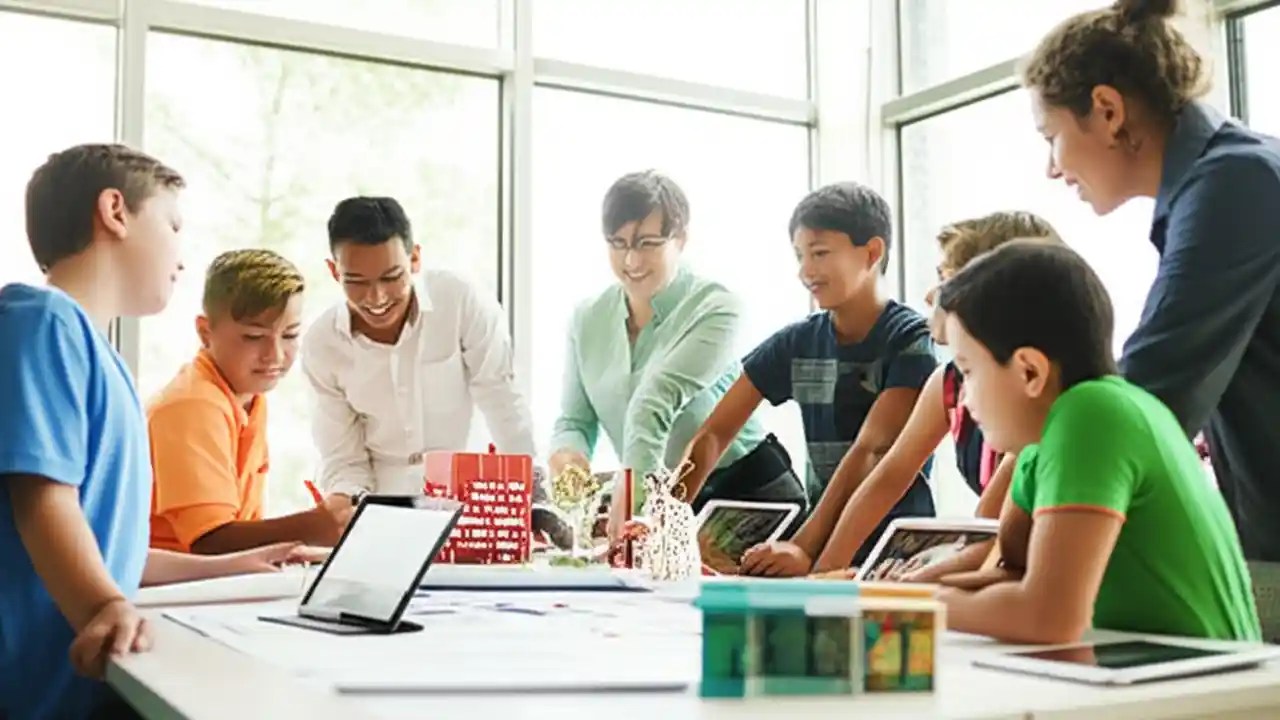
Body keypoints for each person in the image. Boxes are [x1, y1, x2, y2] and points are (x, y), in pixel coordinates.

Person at [0, 144, 310, 719]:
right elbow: (43, 501)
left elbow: (112, 548)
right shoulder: (42, 321)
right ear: (115, 211)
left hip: (77, 685)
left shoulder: (103, 359)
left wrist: (234, 565)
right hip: (27, 689)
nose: (181, 258)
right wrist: (103, 605)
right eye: (172, 225)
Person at [1020, 0, 1280, 617]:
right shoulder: (1225, 181)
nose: (1053, 168)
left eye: (1051, 137)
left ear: (1107, 111)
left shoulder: (1235, 184)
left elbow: (1146, 397)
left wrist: (1017, 519)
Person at [934, 240, 1259, 644]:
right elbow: (1010, 566)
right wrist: (889, 590)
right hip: (1148, 676)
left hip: (1209, 692)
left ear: (1030, 371)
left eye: (967, 371)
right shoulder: (1042, 446)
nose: (964, 397)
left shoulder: (1091, 414)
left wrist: (918, 605)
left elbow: (1049, 618)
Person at [674, 181, 939, 577]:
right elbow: (713, 433)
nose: (805, 271)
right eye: (800, 256)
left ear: (872, 252)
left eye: (820, 253)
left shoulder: (910, 340)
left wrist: (806, 550)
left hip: (896, 551)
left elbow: (871, 452)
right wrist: (667, 521)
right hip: (822, 539)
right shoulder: (798, 341)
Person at [809, 211, 1063, 575]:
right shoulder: (949, 382)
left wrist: (893, 585)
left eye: (946, 280)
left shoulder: (1035, 394)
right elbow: (888, 475)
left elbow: (989, 534)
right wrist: (825, 570)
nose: (930, 295)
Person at [551, 171, 806, 533]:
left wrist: (634, 515)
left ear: (680, 238)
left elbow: (653, 402)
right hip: (655, 496)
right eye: (618, 243)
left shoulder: (717, 307)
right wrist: (569, 464)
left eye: (647, 243)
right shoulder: (586, 319)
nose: (631, 261)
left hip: (742, 491)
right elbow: (574, 421)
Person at [302, 196, 537, 500]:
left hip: (470, 498)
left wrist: (533, 493)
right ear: (334, 271)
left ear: (415, 259)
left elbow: (503, 401)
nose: (377, 297)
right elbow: (343, 459)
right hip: (380, 504)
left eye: (391, 277)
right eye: (356, 281)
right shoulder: (322, 344)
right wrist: (350, 505)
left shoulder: (459, 300)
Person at [149, 249, 354, 554]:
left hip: (220, 582)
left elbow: (241, 530)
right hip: (166, 590)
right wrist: (312, 526)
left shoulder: (249, 398)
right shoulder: (193, 405)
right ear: (205, 333)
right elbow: (210, 541)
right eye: (253, 337)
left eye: (290, 335)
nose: (275, 355)